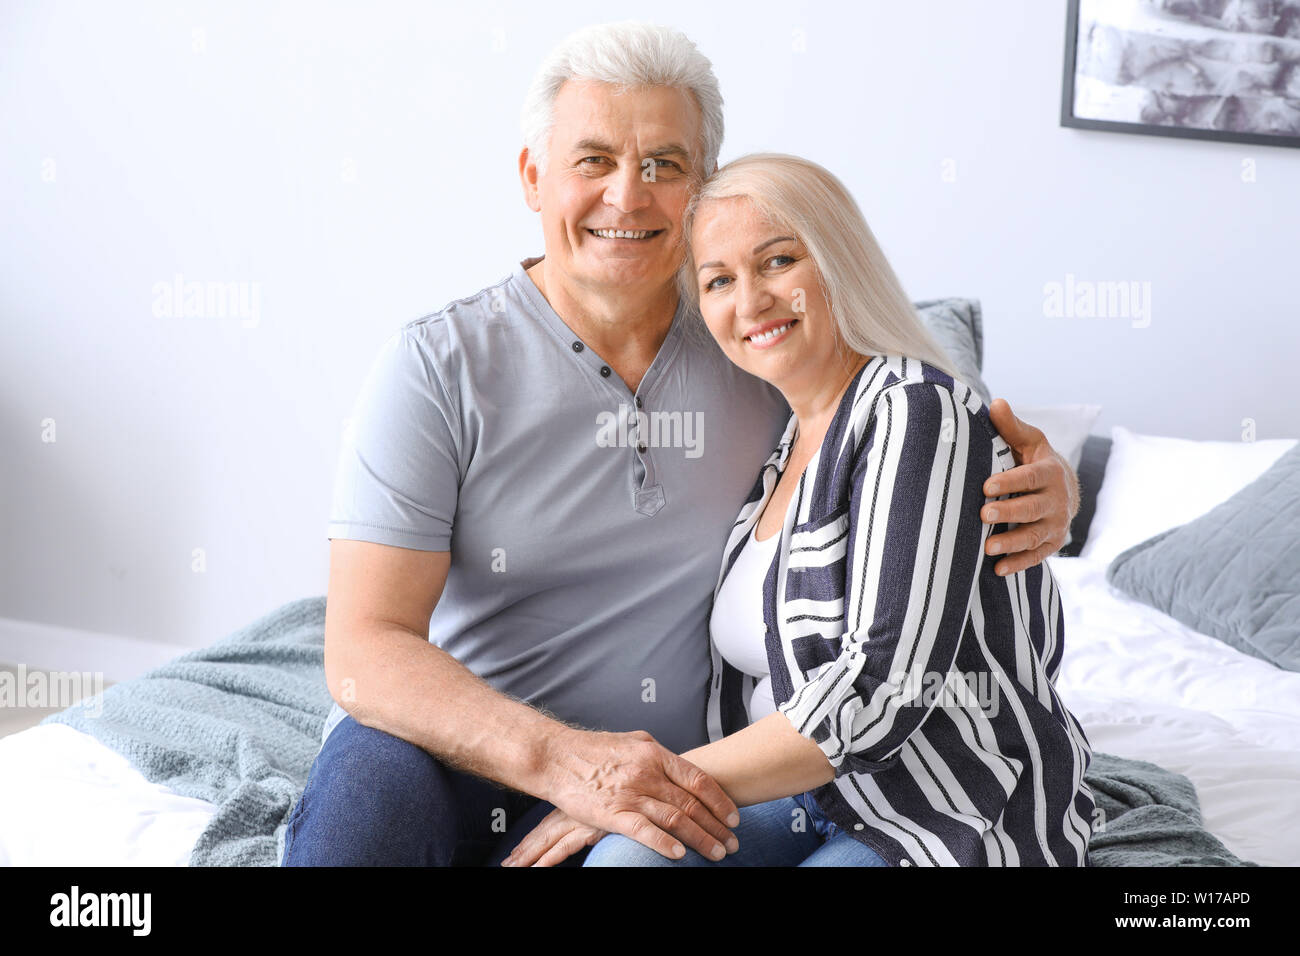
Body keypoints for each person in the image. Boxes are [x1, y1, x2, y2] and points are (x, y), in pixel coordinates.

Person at [281, 22, 1080, 868]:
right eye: (593, 160)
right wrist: (567, 765)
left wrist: (1044, 482)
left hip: (686, 785)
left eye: (665, 164)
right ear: (532, 178)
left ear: (701, 191)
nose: (629, 196)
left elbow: (913, 411)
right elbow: (365, 647)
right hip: (464, 756)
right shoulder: (435, 366)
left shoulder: (756, 340)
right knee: (363, 808)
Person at [503, 154, 1096, 867]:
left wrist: (640, 786)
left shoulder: (918, 411)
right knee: (627, 860)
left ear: (839, 261)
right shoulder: (780, 440)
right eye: (718, 280)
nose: (749, 301)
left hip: (935, 806)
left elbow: (881, 689)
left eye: (777, 262)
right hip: (795, 798)